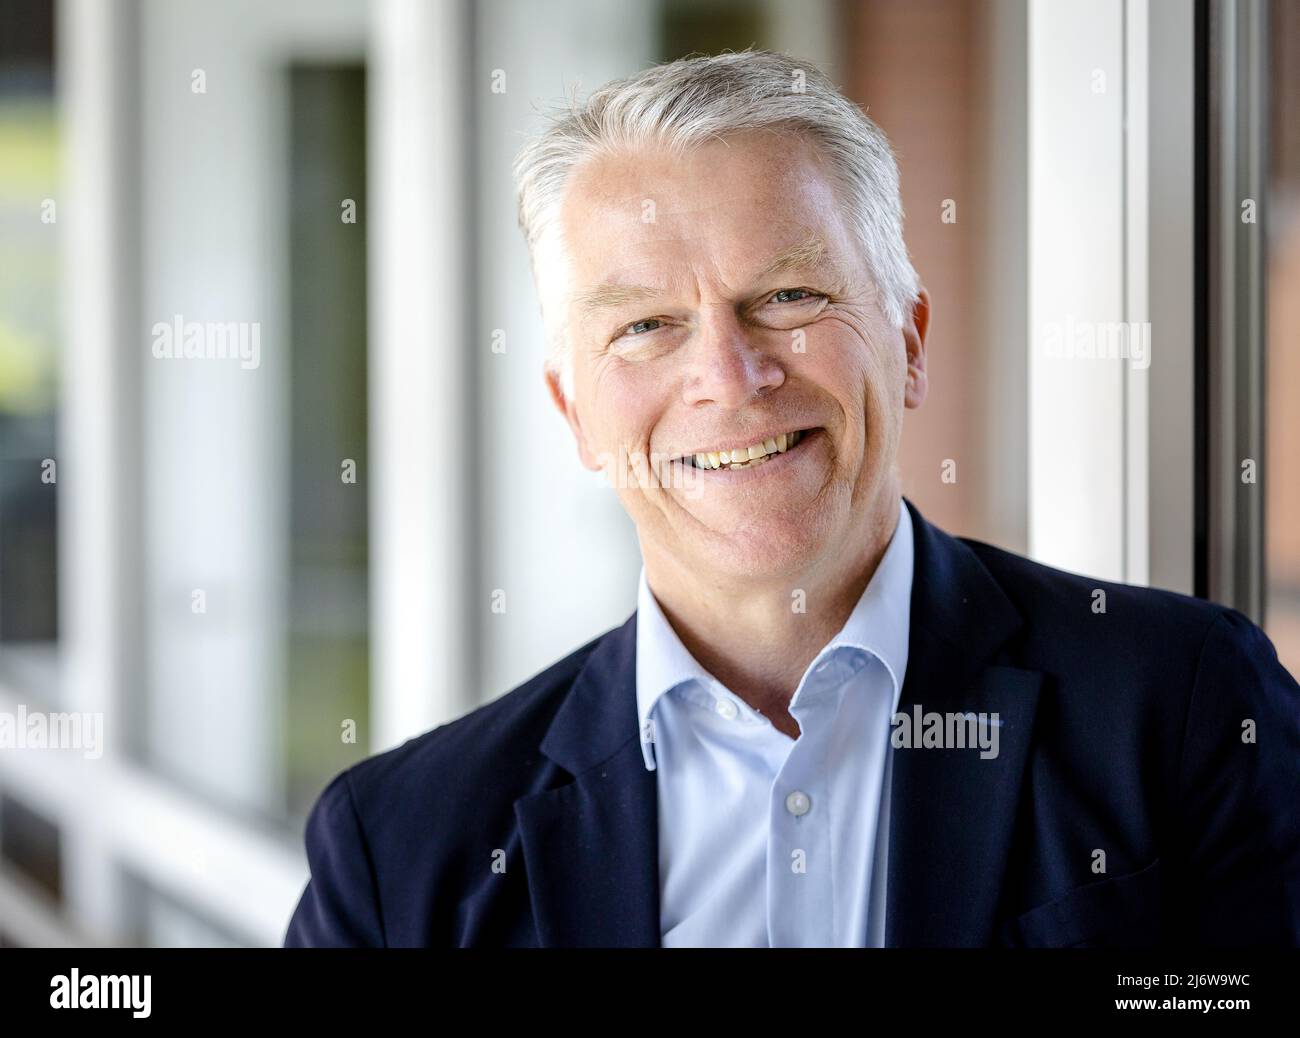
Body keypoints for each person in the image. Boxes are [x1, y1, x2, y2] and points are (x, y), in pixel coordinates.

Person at [284, 49, 1300, 948]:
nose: (728, 379)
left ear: (907, 342)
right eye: (643, 326)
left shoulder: (1185, 705)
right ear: (575, 412)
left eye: (786, 298)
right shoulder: (401, 849)